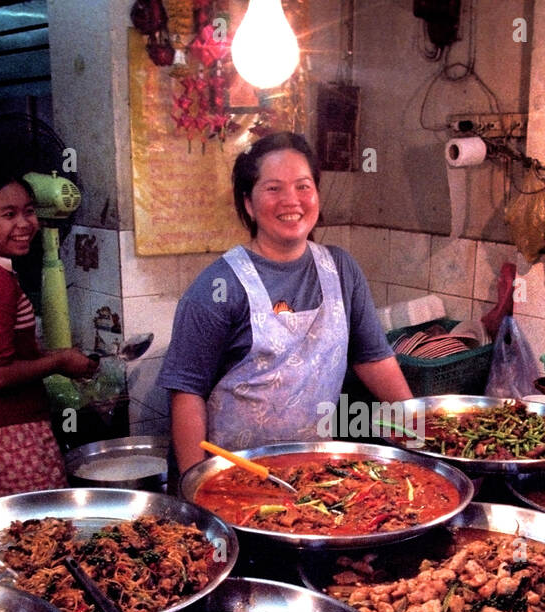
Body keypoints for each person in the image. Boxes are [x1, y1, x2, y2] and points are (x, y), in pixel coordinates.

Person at [157, 132, 411, 470]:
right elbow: (187, 394)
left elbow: (373, 359)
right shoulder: (219, 285)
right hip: (230, 479)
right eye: (273, 188)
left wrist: (423, 433)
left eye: (303, 186)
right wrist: (195, 489)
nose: (292, 200)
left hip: (311, 473)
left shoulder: (341, 269)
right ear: (248, 203)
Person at [0, 166, 96, 504]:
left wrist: (52, 357)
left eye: (29, 211)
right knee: (41, 545)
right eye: (9, 214)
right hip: (9, 440)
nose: (25, 224)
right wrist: (58, 360)